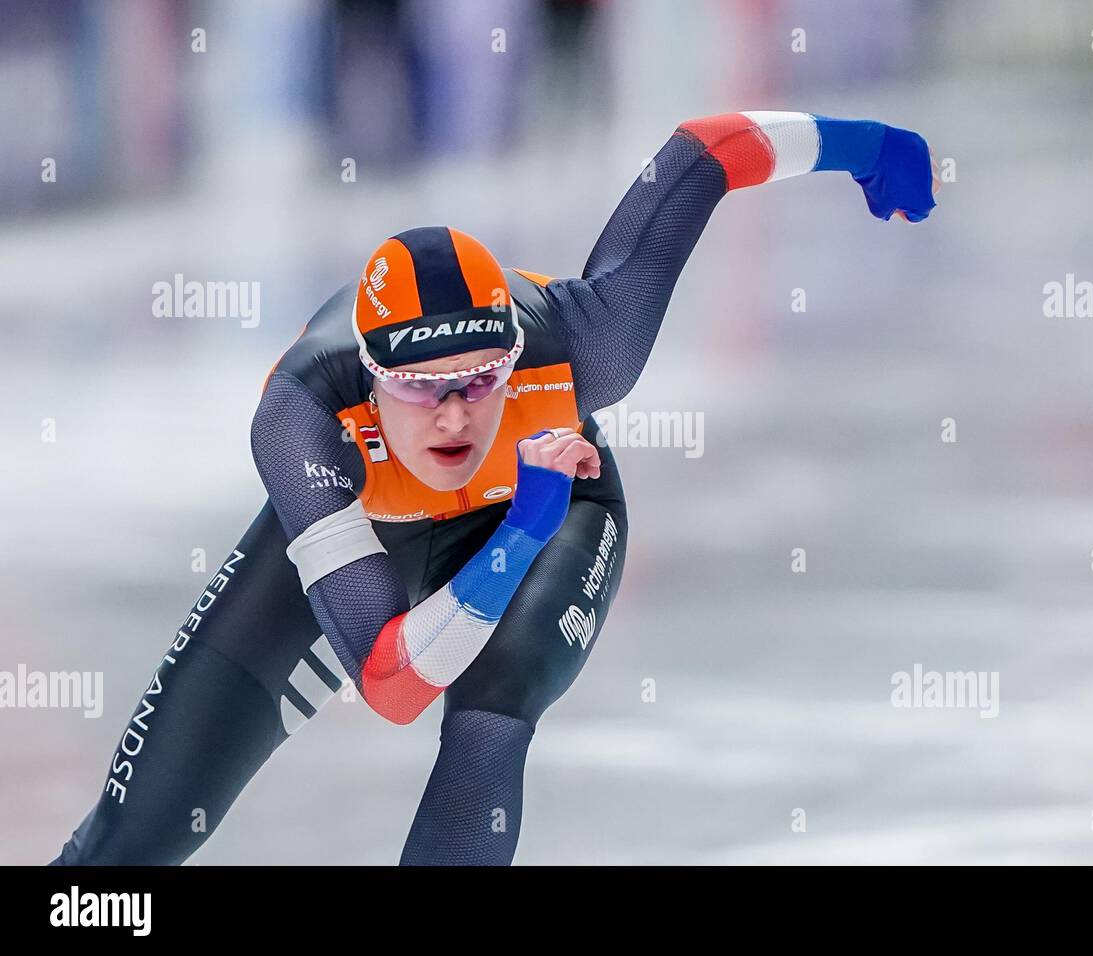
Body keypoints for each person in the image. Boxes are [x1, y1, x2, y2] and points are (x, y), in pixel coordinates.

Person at [52, 110, 938, 866]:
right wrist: (514, 533)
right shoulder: (301, 419)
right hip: (445, 518)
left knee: (490, 710)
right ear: (368, 378)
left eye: (481, 379)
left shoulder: (588, 346)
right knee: (130, 848)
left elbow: (702, 156)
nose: (453, 417)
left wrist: (862, 144)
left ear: (515, 357)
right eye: (418, 387)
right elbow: (394, 685)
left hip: (558, 502)